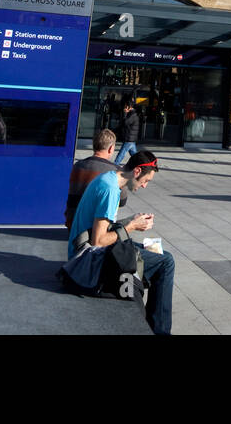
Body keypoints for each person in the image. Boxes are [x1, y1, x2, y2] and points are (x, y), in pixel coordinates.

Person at [68, 149, 174, 335]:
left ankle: (154, 325)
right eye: (146, 181)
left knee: (162, 256)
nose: (144, 186)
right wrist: (132, 226)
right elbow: (99, 241)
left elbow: (102, 228)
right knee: (166, 263)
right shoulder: (110, 190)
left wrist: (130, 221)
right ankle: (160, 331)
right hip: (87, 261)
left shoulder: (109, 178)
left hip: (86, 251)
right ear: (137, 171)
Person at [65, 128, 125, 228]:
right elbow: (122, 201)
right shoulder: (115, 171)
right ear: (111, 148)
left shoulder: (77, 165)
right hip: (94, 228)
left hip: (72, 223)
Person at [115, 100, 140, 166]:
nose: (124, 108)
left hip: (129, 138)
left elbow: (125, 122)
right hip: (130, 138)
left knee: (121, 154)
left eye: (126, 107)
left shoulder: (133, 115)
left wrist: (125, 113)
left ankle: (114, 166)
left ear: (129, 107)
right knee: (134, 155)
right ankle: (140, 165)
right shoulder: (132, 114)